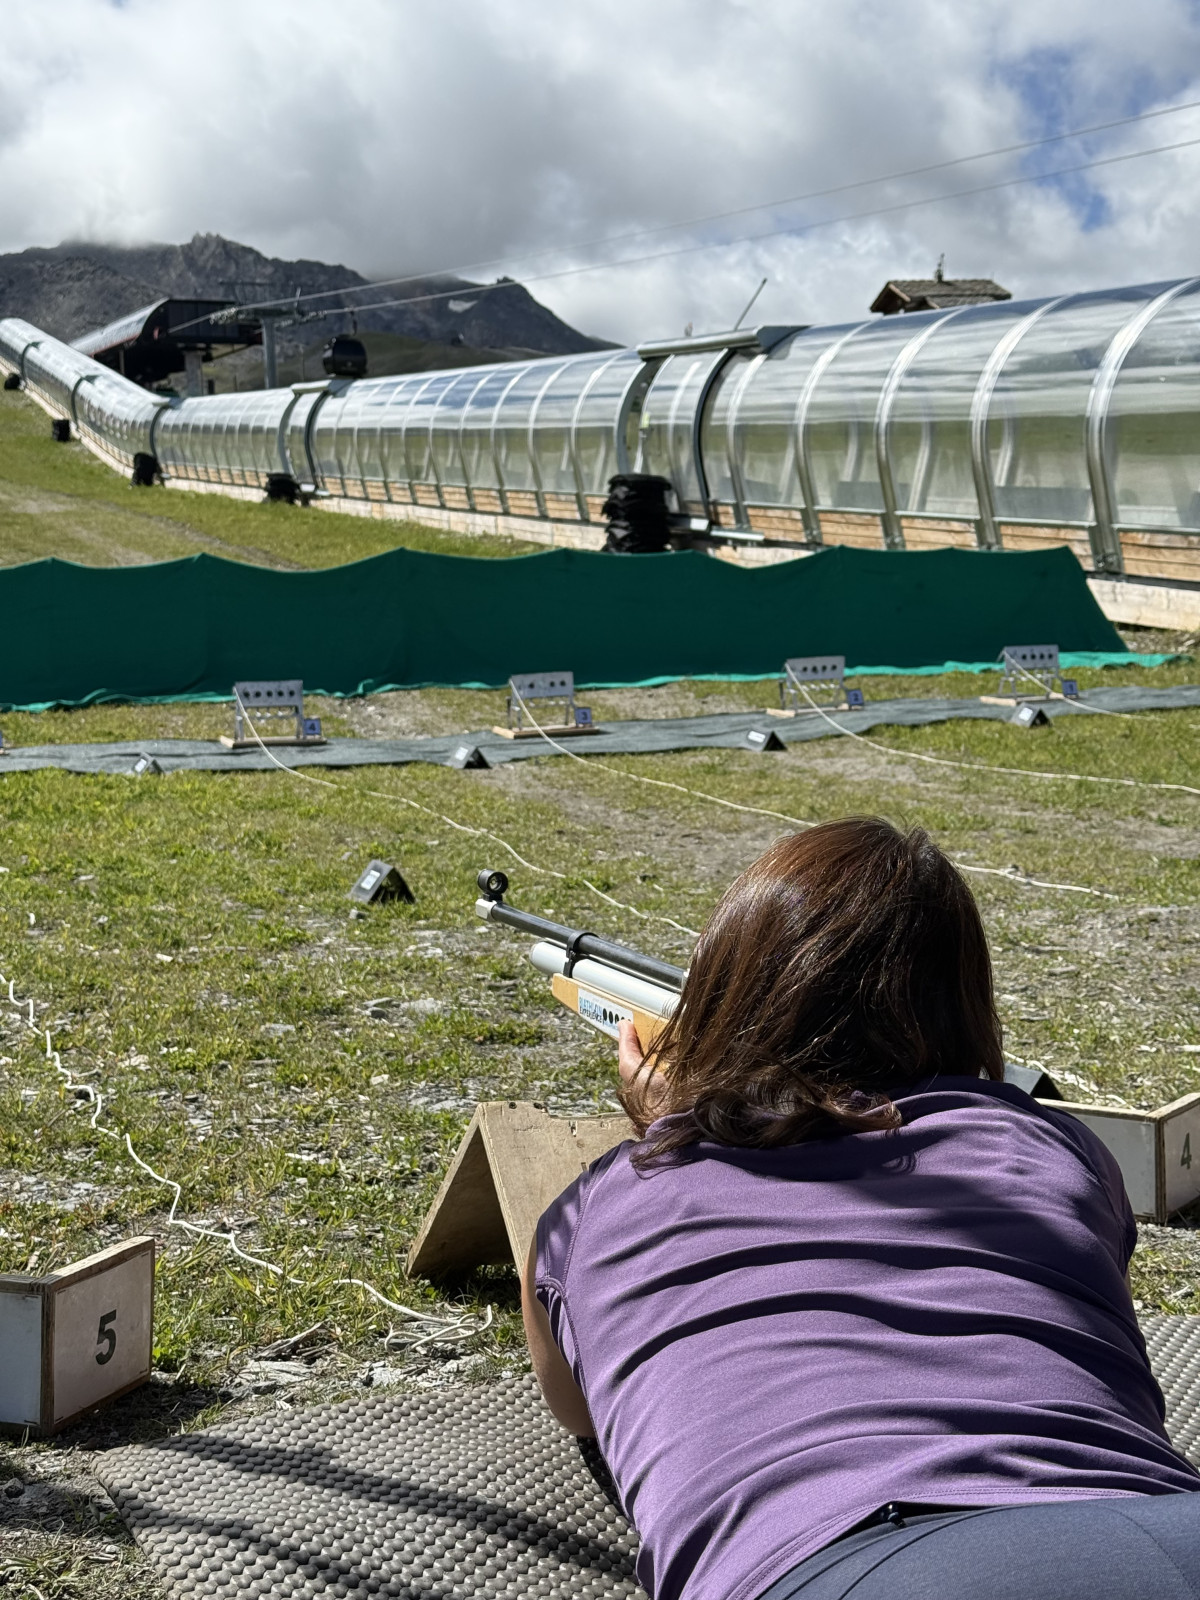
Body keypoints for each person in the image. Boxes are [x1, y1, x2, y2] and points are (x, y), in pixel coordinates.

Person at [521, 818, 1200, 1600]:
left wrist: (681, 1124)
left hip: (850, 1567)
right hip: (1156, 1521)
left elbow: (576, 1407)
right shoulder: (1051, 1147)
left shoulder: (591, 1215)